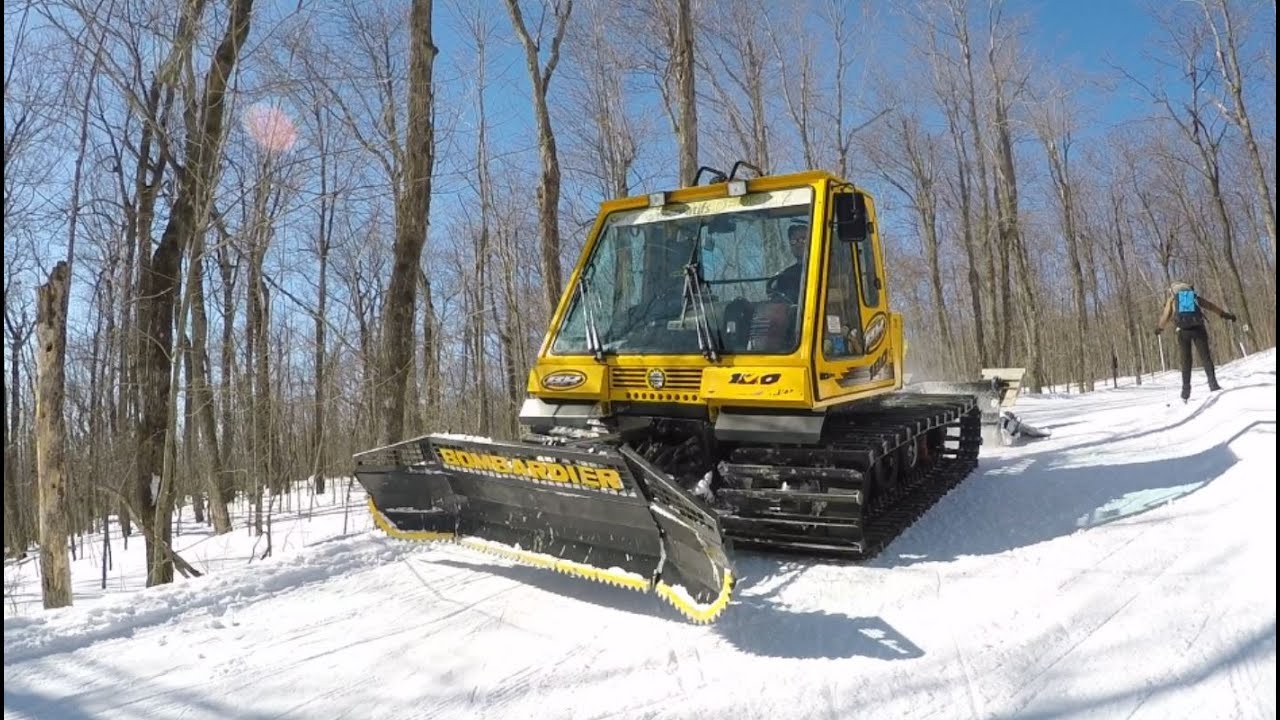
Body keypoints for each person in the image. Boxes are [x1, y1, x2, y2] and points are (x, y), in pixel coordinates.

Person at [1155, 281, 1237, 401]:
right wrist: (1225, 315)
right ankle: (1213, 385)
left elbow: (1166, 315)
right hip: (1198, 329)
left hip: (1183, 331)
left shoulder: (1172, 299)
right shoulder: (1193, 296)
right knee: (1206, 358)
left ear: (1173, 290)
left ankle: (1185, 392)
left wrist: (1159, 328)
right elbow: (1210, 306)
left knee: (1186, 361)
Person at [766, 223, 809, 303]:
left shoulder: (827, 269)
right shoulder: (784, 277)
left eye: (803, 239)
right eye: (793, 241)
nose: (798, 244)